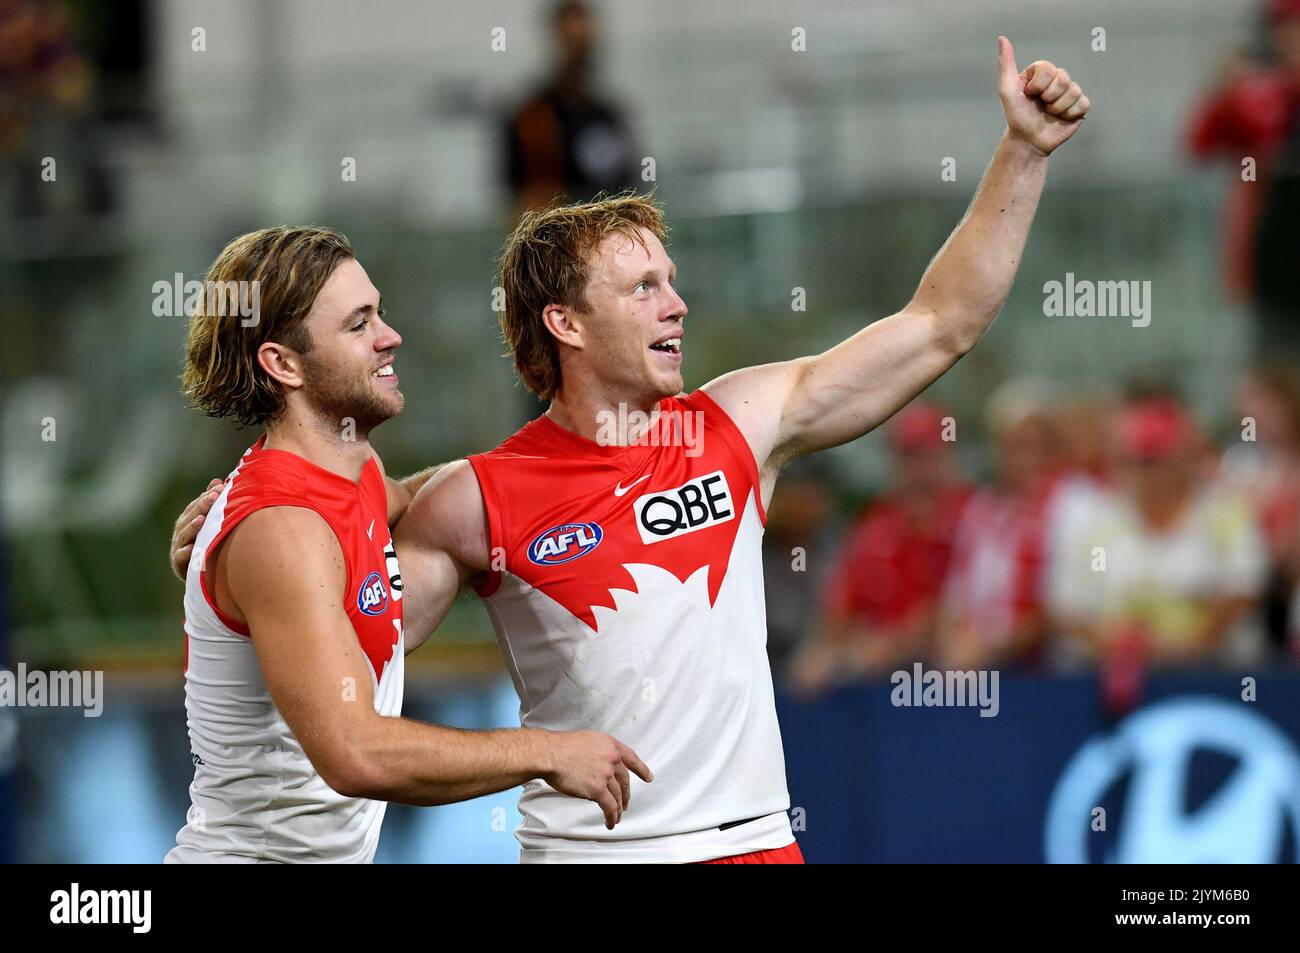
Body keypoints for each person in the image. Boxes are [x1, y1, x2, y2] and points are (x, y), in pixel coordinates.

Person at [177, 38, 1090, 862]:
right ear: (566, 322)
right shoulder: (475, 502)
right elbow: (350, 665)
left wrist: (1022, 152)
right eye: (644, 285)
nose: (677, 304)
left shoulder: (741, 422)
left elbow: (939, 324)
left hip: (758, 844)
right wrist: (234, 538)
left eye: (672, 279)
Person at [166, 226, 649, 863]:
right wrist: (549, 752)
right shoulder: (281, 527)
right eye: (358, 323)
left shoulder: (352, 473)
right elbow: (357, 753)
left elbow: (432, 497)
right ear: (283, 364)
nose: (389, 336)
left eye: (380, 312)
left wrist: (570, 459)